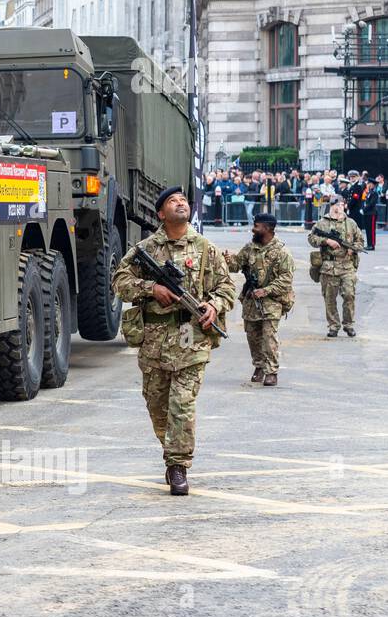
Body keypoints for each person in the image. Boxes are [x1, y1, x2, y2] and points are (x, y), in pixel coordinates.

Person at [112, 187, 236, 496]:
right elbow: (119, 281)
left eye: (183, 200)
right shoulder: (146, 249)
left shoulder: (205, 248)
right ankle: (172, 452)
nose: (180, 203)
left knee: (182, 404)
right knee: (158, 407)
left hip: (192, 340)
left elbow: (226, 286)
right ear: (161, 214)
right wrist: (151, 288)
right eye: (172, 201)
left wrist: (213, 306)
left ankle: (178, 465)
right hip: (155, 341)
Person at [223, 214, 295, 387]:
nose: (253, 229)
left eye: (256, 226)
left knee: (269, 336)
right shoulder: (250, 248)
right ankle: (259, 366)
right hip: (251, 300)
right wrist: (227, 260)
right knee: (253, 336)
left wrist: (266, 290)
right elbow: (236, 265)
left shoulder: (282, 252)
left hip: (272, 301)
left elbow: (286, 279)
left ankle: (271, 371)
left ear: (267, 229)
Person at [309, 196, 365, 338]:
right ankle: (334, 325)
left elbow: (360, 240)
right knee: (330, 298)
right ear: (332, 206)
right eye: (337, 204)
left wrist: (354, 248)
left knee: (349, 295)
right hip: (329, 266)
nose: (339, 207)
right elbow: (311, 238)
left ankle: (349, 324)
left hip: (347, 265)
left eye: (341, 204)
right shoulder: (322, 223)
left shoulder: (351, 223)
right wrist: (326, 241)